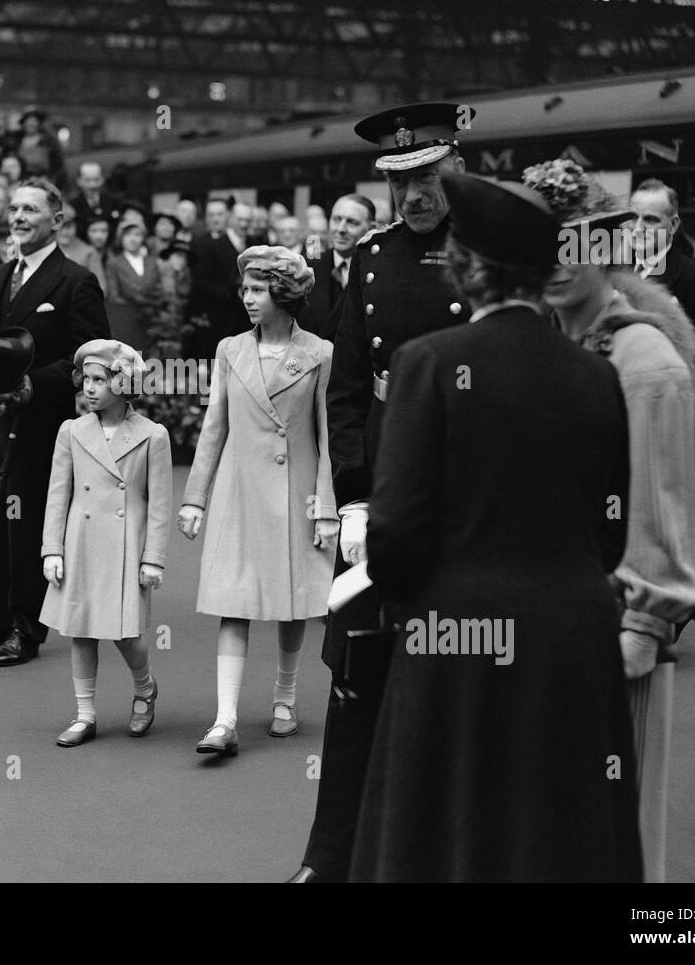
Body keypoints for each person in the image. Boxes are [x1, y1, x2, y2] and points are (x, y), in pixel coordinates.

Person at [348, 171, 642, 882]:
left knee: (454, 834)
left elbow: (397, 538)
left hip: (459, 640)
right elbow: (611, 530)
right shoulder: (595, 374)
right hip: (573, 639)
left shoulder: (428, 363)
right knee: (557, 832)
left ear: (468, 267)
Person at [292, 102, 472, 883]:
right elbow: (346, 393)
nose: (414, 196)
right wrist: (355, 498)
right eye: (400, 182)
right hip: (380, 503)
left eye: (427, 177)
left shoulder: (484, 258)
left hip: (462, 500)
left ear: (454, 168)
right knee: (357, 682)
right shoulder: (368, 258)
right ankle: (332, 858)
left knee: (451, 680)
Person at [538, 189, 695, 665]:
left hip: (606, 613)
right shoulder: (546, 340)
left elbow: (666, 495)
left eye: (570, 248)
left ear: (603, 252)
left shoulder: (644, 357)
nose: (554, 264)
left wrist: (645, 624)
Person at [178, 246, 337, 756]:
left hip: (297, 492)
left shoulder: (320, 353)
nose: (247, 298)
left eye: (257, 289)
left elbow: (329, 437)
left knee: (292, 604)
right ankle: (224, 719)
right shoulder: (229, 350)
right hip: (238, 491)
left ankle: (285, 696)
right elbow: (214, 427)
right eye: (244, 289)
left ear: (283, 294)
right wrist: (195, 499)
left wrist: (327, 506)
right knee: (233, 602)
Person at [0, 178, 111, 665]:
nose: (17, 217)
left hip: (37, 424)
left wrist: (34, 385)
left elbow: (92, 358)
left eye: (30, 210)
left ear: (57, 221)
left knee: (25, 523)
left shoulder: (76, 280)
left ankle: (26, 627)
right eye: (14, 208)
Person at [39, 339, 172, 746]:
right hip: (82, 542)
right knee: (80, 630)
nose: (90, 388)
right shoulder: (71, 431)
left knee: (127, 634)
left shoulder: (153, 435)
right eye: (87, 379)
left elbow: (160, 505)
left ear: (123, 382)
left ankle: (144, 688)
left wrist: (153, 558)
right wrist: (52, 548)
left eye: (100, 379)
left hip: (126, 547)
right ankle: (85, 714)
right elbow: (58, 494)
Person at [630, 178, 695, 430]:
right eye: (632, 218)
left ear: (674, 224)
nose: (637, 228)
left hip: (670, 419)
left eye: (650, 220)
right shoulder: (616, 273)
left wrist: (693, 426)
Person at [301, 194, 374, 341]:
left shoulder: (376, 271)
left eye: (352, 222)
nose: (341, 229)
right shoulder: (309, 269)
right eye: (336, 219)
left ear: (371, 228)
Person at [186, 198, 246, 361]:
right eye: (211, 215)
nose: (215, 219)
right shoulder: (198, 243)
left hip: (238, 315)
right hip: (211, 314)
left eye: (219, 214)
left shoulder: (239, 241)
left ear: (228, 216)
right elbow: (197, 280)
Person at [70, 162, 120, 238]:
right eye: (87, 180)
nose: (92, 185)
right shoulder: (73, 206)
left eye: (96, 180)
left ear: (102, 179)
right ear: (79, 181)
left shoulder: (113, 202)